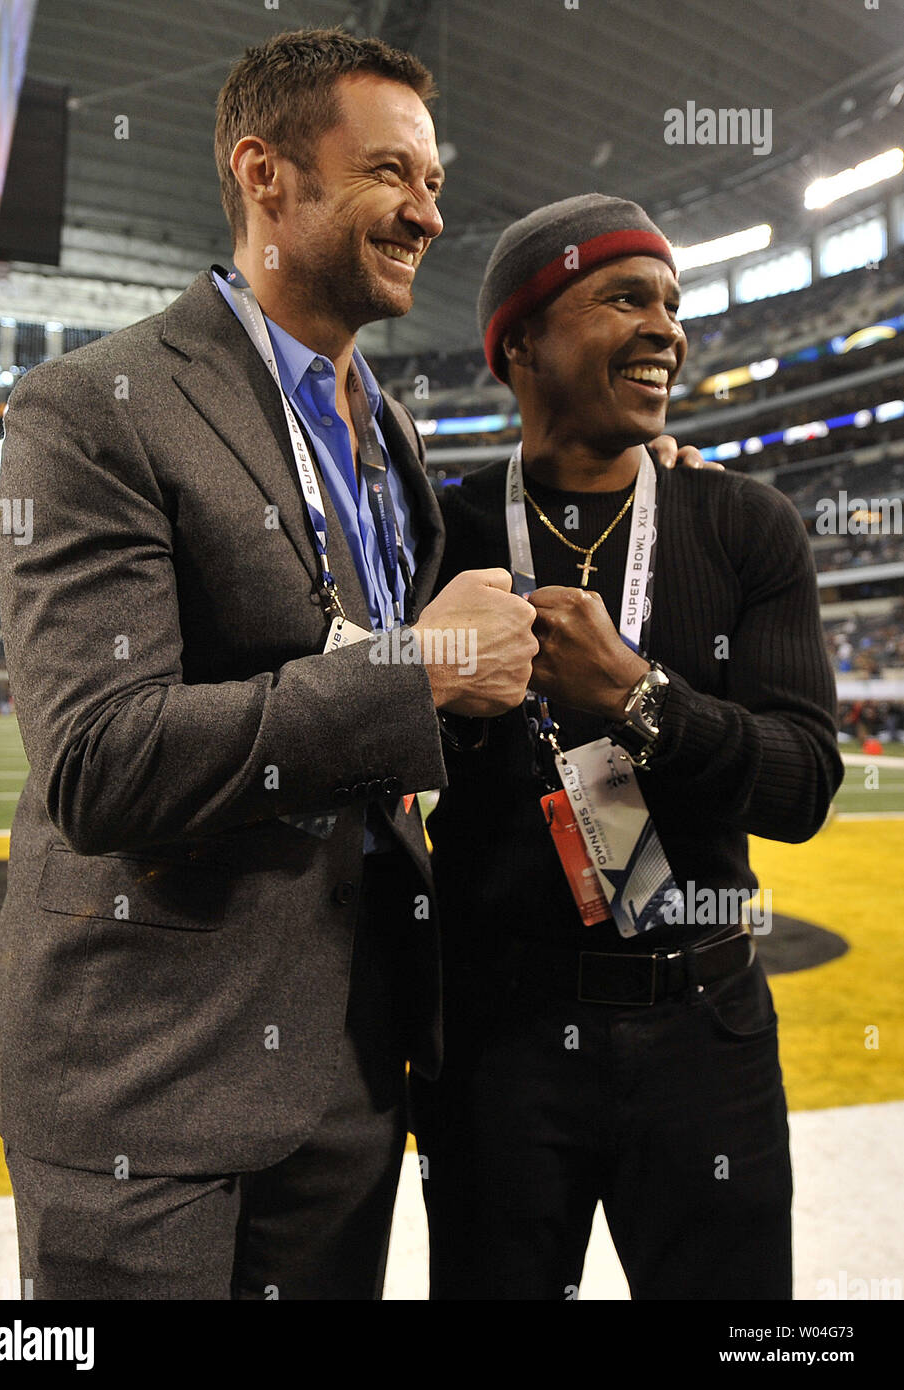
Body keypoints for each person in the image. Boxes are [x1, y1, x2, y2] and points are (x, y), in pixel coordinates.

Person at [0, 27, 539, 1301]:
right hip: (151, 1081)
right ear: (265, 173)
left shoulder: (389, 433)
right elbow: (101, 764)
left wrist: (640, 462)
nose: (427, 212)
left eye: (434, 181)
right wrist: (415, 670)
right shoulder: (93, 404)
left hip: (350, 1065)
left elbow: (396, 714)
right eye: (390, 172)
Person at [411, 193, 845, 1301]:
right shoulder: (440, 532)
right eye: (623, 299)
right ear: (519, 343)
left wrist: (638, 696)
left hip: (704, 1032)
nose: (666, 330)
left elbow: (803, 783)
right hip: (498, 1043)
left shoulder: (743, 522)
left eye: (672, 304)